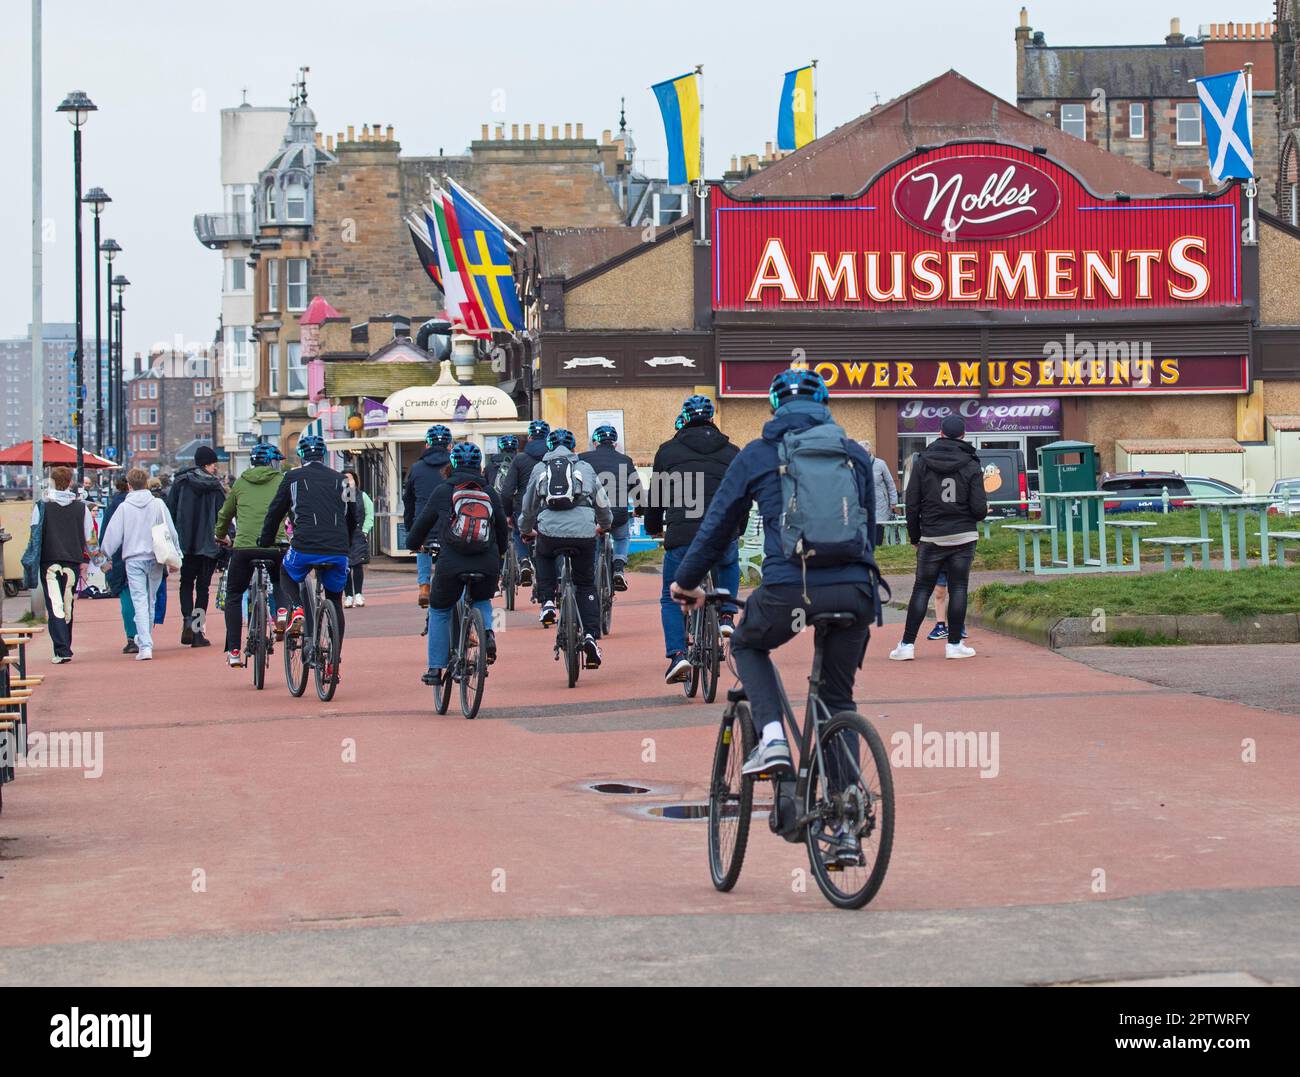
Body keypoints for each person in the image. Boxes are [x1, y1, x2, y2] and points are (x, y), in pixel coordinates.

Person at [671, 368, 881, 787]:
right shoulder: (854, 454)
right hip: (856, 590)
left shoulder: (757, 453)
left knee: (747, 644)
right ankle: (845, 817)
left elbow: (717, 527)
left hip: (791, 589)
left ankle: (772, 739)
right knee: (838, 699)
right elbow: (870, 531)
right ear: (825, 407)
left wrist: (686, 581)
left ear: (773, 407)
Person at [644, 394, 741, 684]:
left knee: (671, 597)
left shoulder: (667, 451)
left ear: (684, 418)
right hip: (722, 530)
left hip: (683, 534)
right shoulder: (733, 452)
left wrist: (653, 528)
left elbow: (657, 497)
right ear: (712, 418)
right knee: (728, 560)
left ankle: (677, 656)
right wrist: (738, 527)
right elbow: (742, 495)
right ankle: (726, 616)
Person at [406, 442, 509, 686]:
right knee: (483, 599)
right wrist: (499, 554)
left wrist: (414, 544)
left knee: (440, 609)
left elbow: (420, 526)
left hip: (451, 562)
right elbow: (502, 531)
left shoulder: (443, 490)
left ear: (452, 464)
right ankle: (488, 635)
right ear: (479, 466)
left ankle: (435, 668)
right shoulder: (490, 493)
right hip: (487, 562)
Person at [257, 434, 356, 678]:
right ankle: (334, 661)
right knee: (335, 600)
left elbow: (275, 511)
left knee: (285, 570)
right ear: (323, 455)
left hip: (304, 546)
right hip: (337, 550)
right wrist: (348, 543)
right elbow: (353, 515)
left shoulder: (291, 478)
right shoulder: (344, 481)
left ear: (301, 456)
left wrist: (265, 540)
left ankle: (298, 608)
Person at [891, 414, 987, 661]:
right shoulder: (972, 463)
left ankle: (906, 645)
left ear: (940, 433)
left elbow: (911, 503)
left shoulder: (922, 461)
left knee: (922, 588)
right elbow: (979, 509)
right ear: (964, 436)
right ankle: (954, 645)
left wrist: (915, 536)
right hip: (964, 535)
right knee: (959, 588)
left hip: (932, 535)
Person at [518, 427, 612, 669]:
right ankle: (590, 636)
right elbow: (602, 503)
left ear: (548, 448)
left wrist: (526, 529)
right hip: (583, 533)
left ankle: (548, 601)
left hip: (550, 531)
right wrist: (604, 525)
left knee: (544, 554)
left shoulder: (540, 468)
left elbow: (528, 506)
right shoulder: (586, 468)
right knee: (585, 584)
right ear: (573, 448)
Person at [214, 442, 288, 668]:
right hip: (275, 545)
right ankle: (282, 612)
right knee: (280, 579)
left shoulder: (240, 483)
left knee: (234, 594)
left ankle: (235, 650)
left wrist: (220, 535)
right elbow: (291, 509)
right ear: (271, 462)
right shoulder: (281, 480)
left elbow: (225, 514)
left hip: (244, 547)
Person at [99, 467, 181, 661]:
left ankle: (144, 645)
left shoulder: (124, 507)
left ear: (128, 485)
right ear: (146, 484)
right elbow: (171, 531)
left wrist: (104, 557)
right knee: (150, 600)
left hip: (133, 558)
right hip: (155, 557)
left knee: (139, 601)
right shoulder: (158, 504)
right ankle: (145, 639)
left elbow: (112, 536)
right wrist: (177, 555)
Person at [25, 466, 98, 663]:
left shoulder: (41, 506)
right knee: (67, 603)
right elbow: (90, 538)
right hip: (72, 561)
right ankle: (65, 644)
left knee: (54, 604)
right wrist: (99, 562)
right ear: (70, 482)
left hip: (49, 561)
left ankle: (61, 648)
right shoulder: (81, 508)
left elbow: (34, 536)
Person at [167, 445, 225, 648]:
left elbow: (170, 512)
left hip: (186, 542)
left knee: (186, 583)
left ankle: (187, 620)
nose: (216, 468)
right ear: (207, 464)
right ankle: (198, 632)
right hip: (208, 544)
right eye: (214, 464)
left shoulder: (180, 483)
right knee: (203, 588)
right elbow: (223, 515)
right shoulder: (216, 487)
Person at [579, 424, 644, 593]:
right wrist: (639, 509)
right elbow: (636, 488)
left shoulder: (582, 458)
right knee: (622, 538)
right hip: (618, 514)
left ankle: (591, 572)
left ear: (595, 443)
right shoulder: (625, 460)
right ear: (615, 444)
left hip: (590, 515)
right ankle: (619, 568)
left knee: (591, 542)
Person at [403, 424, 452, 609]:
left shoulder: (416, 468)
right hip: (450, 524)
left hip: (424, 523)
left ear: (427, 445)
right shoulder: (453, 466)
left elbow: (408, 500)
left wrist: (411, 529)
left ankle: (424, 586)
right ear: (450, 446)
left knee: (423, 546)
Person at [498, 419, 550, 586]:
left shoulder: (520, 459)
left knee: (517, 532)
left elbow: (506, 492)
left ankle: (524, 561)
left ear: (529, 438)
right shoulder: (553, 458)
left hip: (524, 507)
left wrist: (507, 514)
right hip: (549, 509)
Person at [99, 476, 140, 653]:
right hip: (146, 555)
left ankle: (132, 637)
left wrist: (103, 559)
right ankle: (143, 634)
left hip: (121, 558)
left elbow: (106, 534)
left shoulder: (115, 506)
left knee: (127, 598)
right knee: (145, 597)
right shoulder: (152, 502)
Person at [342, 469, 374, 608]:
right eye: (345, 479)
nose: (348, 481)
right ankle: (348, 595)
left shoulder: (363, 496)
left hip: (358, 534)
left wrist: (365, 531)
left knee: (358, 564)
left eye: (351, 478)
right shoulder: (339, 496)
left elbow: (369, 513)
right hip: (343, 535)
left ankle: (359, 594)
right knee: (345, 566)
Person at [862, 439, 899, 548]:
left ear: (869, 452)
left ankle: (877, 547)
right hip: (863, 501)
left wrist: (893, 501)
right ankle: (867, 548)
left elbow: (890, 483)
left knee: (878, 524)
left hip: (880, 502)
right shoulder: (855, 464)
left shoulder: (880, 464)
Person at [925, 572, 970, 642]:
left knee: (957, 592)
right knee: (939, 592)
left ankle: (959, 626)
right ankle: (940, 627)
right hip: (940, 564)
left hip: (957, 562)